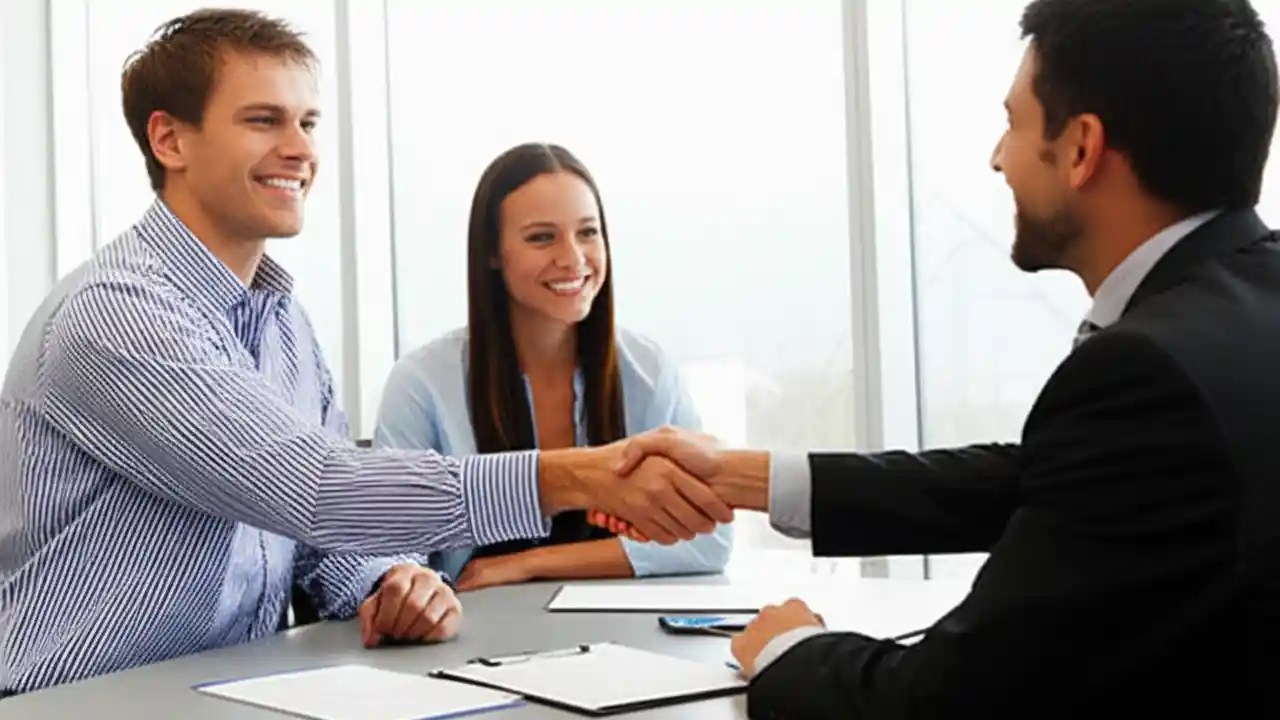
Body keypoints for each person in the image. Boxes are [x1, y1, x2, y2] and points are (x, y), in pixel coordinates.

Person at [0, 10, 730, 695]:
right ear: (170, 141)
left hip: (217, 688)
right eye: (264, 121)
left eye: (307, 122)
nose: (301, 150)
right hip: (71, 697)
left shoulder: (284, 323)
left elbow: (318, 541)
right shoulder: (116, 315)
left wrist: (388, 583)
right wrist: (579, 477)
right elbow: (317, 492)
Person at [605, 0, 1280, 716]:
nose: (997, 157)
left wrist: (786, 648)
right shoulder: (1234, 319)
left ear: (1082, 148)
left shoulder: (1147, 372)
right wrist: (755, 478)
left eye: (1014, 123)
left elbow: (945, 702)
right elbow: (1057, 479)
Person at [374, 143, 732, 591]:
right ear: (492, 253)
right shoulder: (422, 384)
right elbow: (386, 547)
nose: (573, 258)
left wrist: (530, 563)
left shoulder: (649, 372)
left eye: (587, 233)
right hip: (470, 641)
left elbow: (707, 539)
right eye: (542, 237)